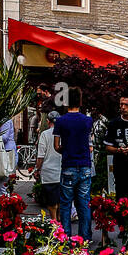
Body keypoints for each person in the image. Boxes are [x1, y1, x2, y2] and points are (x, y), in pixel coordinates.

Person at [54, 87, 93, 240]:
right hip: (84, 165)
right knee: (83, 204)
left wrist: (66, 150)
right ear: (80, 101)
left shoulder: (60, 121)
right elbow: (90, 143)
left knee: (65, 204)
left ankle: (65, 237)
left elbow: (56, 146)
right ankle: (84, 237)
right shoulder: (87, 121)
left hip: (68, 165)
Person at [35, 109, 62, 223]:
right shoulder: (64, 133)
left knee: (51, 202)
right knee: (61, 201)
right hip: (62, 171)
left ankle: (54, 223)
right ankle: (61, 223)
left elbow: (41, 155)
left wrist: (37, 169)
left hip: (48, 172)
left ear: (47, 121)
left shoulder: (44, 134)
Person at [0, 117, 18, 197]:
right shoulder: (3, 119)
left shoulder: (5, 119)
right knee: (0, 183)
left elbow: (4, 137)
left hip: (6, 152)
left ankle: (5, 204)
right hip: (5, 152)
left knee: (2, 184)